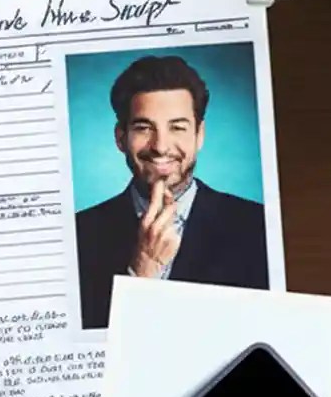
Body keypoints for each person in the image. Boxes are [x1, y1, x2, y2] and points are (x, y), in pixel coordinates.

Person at [75, 55, 268, 329]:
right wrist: (142, 270)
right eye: (144, 128)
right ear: (120, 138)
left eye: (177, 127)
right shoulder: (77, 234)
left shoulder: (259, 226)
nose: (161, 146)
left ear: (199, 135)